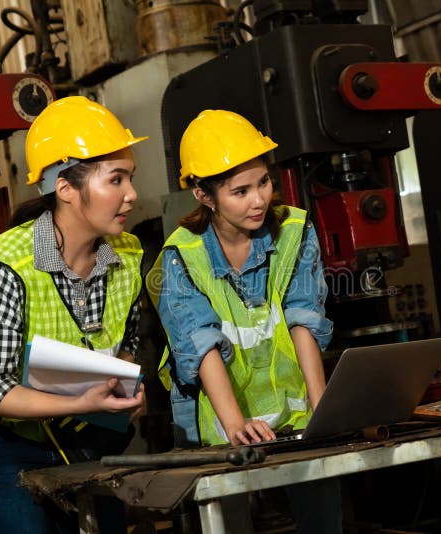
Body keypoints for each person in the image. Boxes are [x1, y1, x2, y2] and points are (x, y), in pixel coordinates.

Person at [0, 96, 147, 534]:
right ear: (65, 188)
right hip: (0, 436)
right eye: (116, 179)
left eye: (130, 177)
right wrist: (83, 402)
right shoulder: (6, 265)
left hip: (84, 425)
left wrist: (125, 388)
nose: (131, 194)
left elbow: (125, 343)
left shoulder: (127, 254)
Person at [146, 109, 342, 532]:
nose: (259, 200)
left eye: (264, 182)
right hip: (217, 428)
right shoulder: (181, 257)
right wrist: (234, 426)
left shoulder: (294, 231)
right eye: (241, 191)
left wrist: (322, 408)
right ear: (204, 195)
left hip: (295, 417)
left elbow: (303, 319)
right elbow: (199, 343)